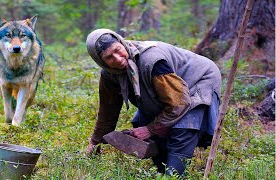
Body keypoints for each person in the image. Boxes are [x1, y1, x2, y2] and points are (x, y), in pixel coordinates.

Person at [85, 28, 221, 176]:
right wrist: (95, 141)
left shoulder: (152, 61)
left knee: (181, 130)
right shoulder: (108, 75)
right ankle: (163, 173)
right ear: (100, 61)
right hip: (166, 92)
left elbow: (179, 101)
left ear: (121, 43)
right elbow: (108, 109)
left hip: (198, 79)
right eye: (109, 57)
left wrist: (150, 129)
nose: (117, 58)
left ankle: (173, 176)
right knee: (147, 125)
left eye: (118, 50)